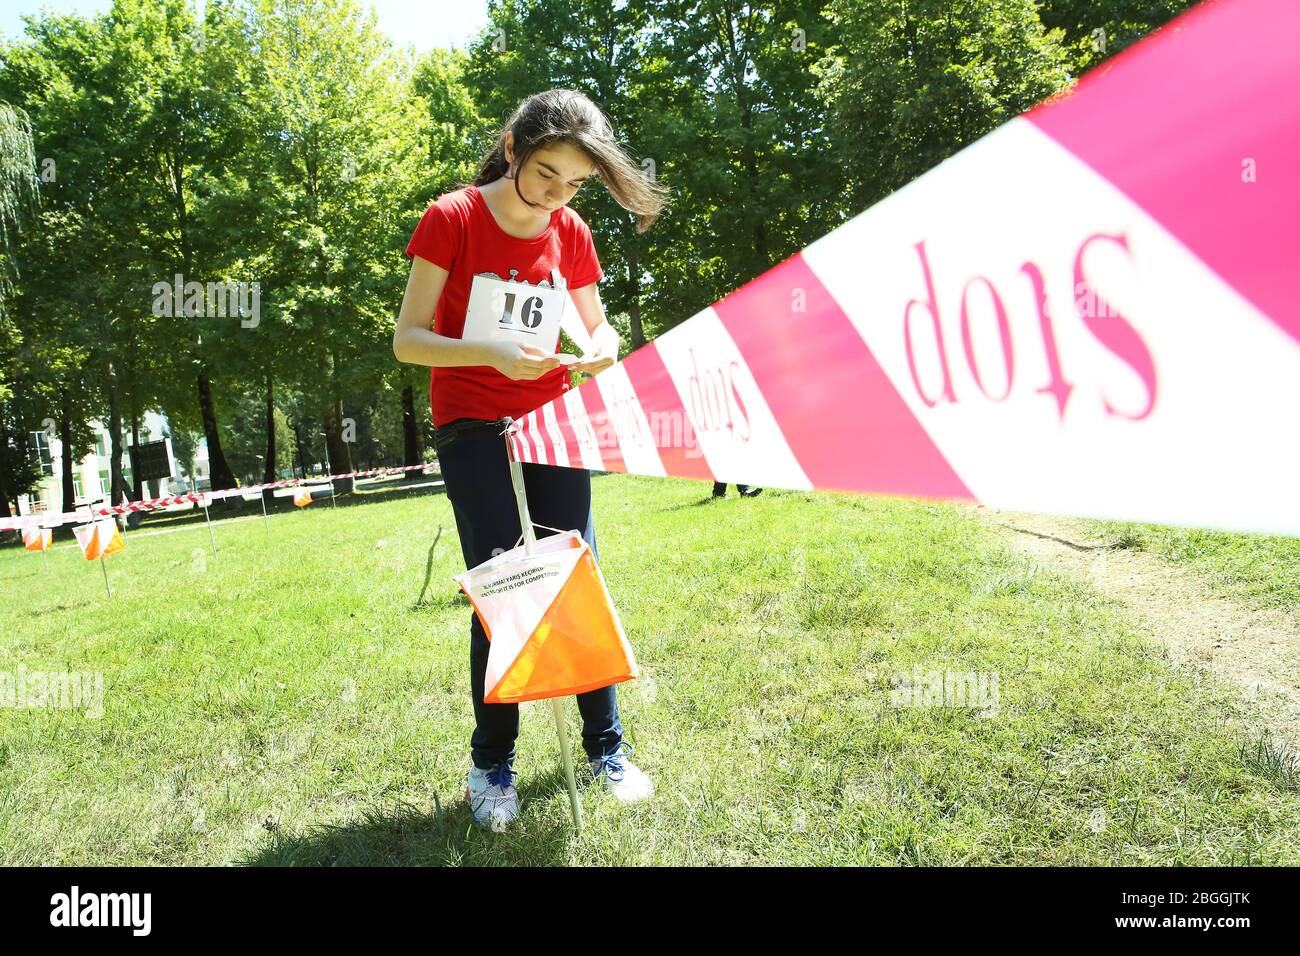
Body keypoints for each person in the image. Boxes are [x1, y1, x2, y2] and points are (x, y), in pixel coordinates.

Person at [393, 89, 668, 831]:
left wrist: (604, 345)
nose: (556, 195)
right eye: (546, 174)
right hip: (473, 422)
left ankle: (606, 749)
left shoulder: (570, 230)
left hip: (553, 416)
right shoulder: (451, 217)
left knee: (576, 576)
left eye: (574, 184)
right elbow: (409, 339)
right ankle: (493, 765)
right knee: (504, 586)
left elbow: (595, 321)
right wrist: (491, 355)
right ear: (512, 147)